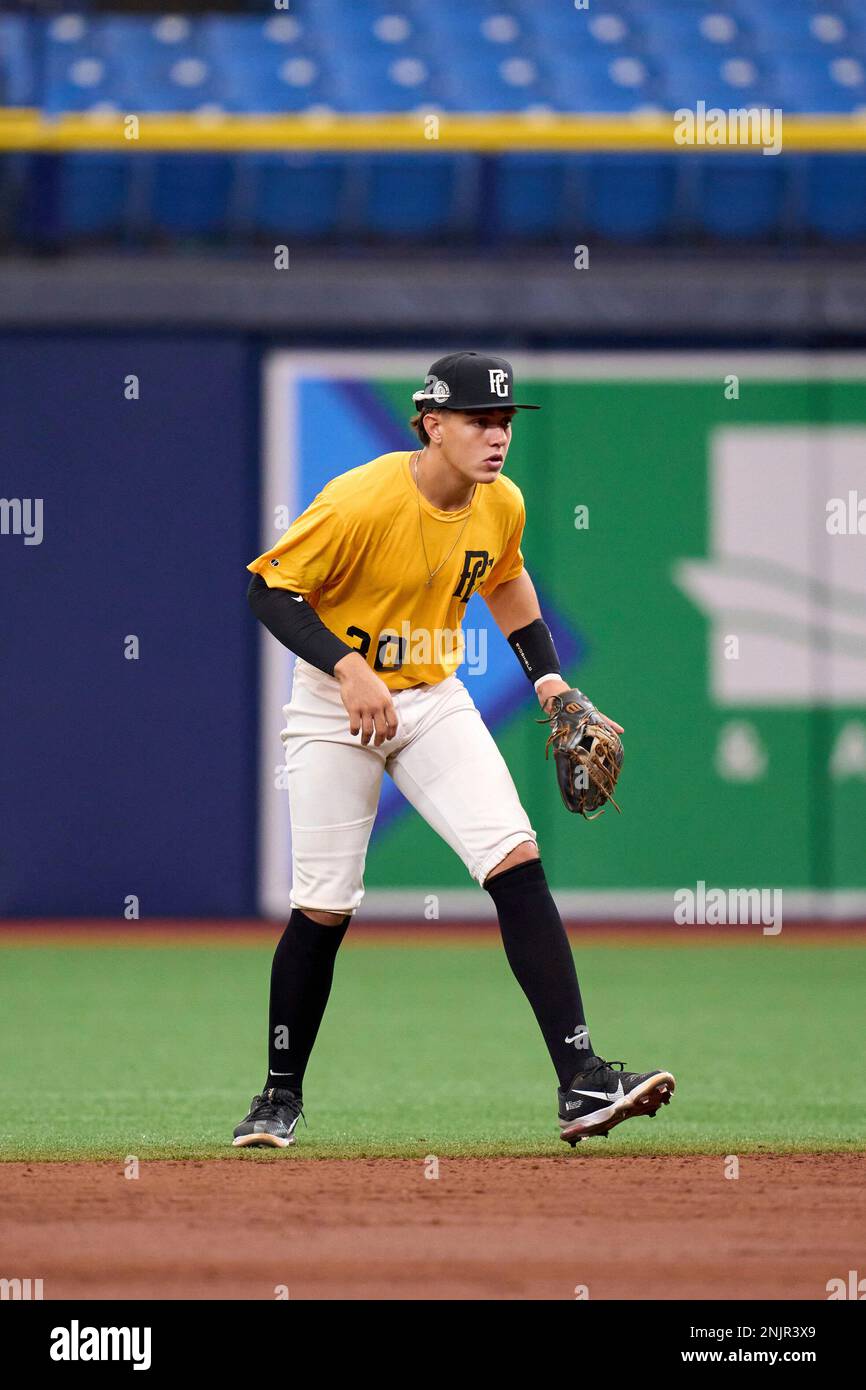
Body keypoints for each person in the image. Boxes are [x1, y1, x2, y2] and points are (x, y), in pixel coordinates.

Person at [232, 351, 674, 1149]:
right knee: (324, 905)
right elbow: (269, 588)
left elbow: (507, 582)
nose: (497, 435)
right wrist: (347, 664)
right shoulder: (360, 499)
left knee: (515, 858)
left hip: (433, 699)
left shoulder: (500, 502)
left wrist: (549, 683)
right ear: (432, 426)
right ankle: (278, 1096)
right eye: (480, 420)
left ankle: (580, 1082)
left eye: (505, 420)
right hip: (337, 706)